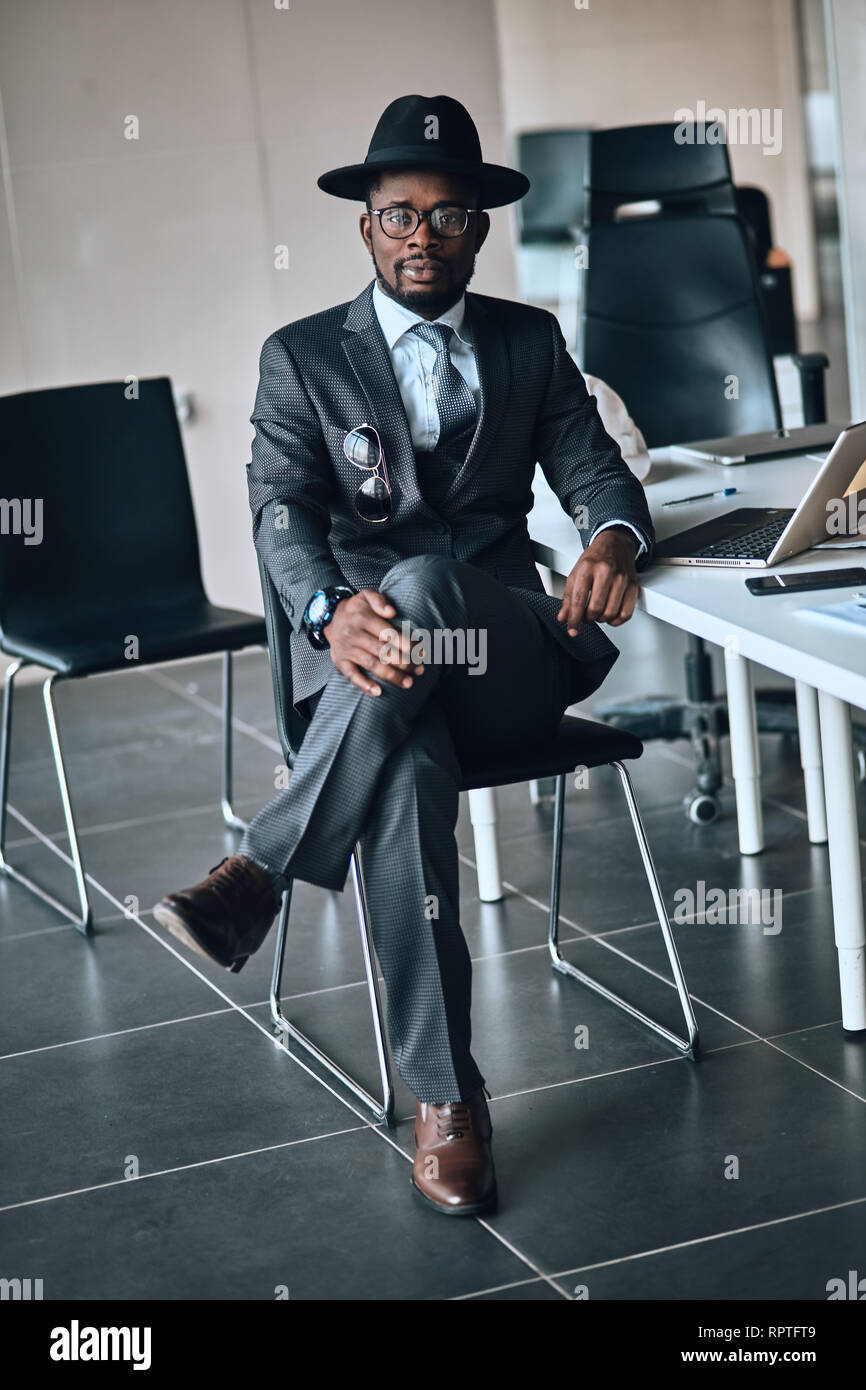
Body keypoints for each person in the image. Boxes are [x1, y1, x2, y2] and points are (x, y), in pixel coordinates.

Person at [154, 94, 654, 1218]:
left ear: (479, 227)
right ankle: (445, 1098)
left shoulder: (528, 343)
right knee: (405, 769)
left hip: (507, 658)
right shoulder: (299, 359)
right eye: (398, 216)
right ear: (364, 227)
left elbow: (595, 479)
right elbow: (278, 513)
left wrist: (615, 535)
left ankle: (263, 867)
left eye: (447, 215)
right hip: (365, 673)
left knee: (424, 584)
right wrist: (328, 607)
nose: (421, 235)